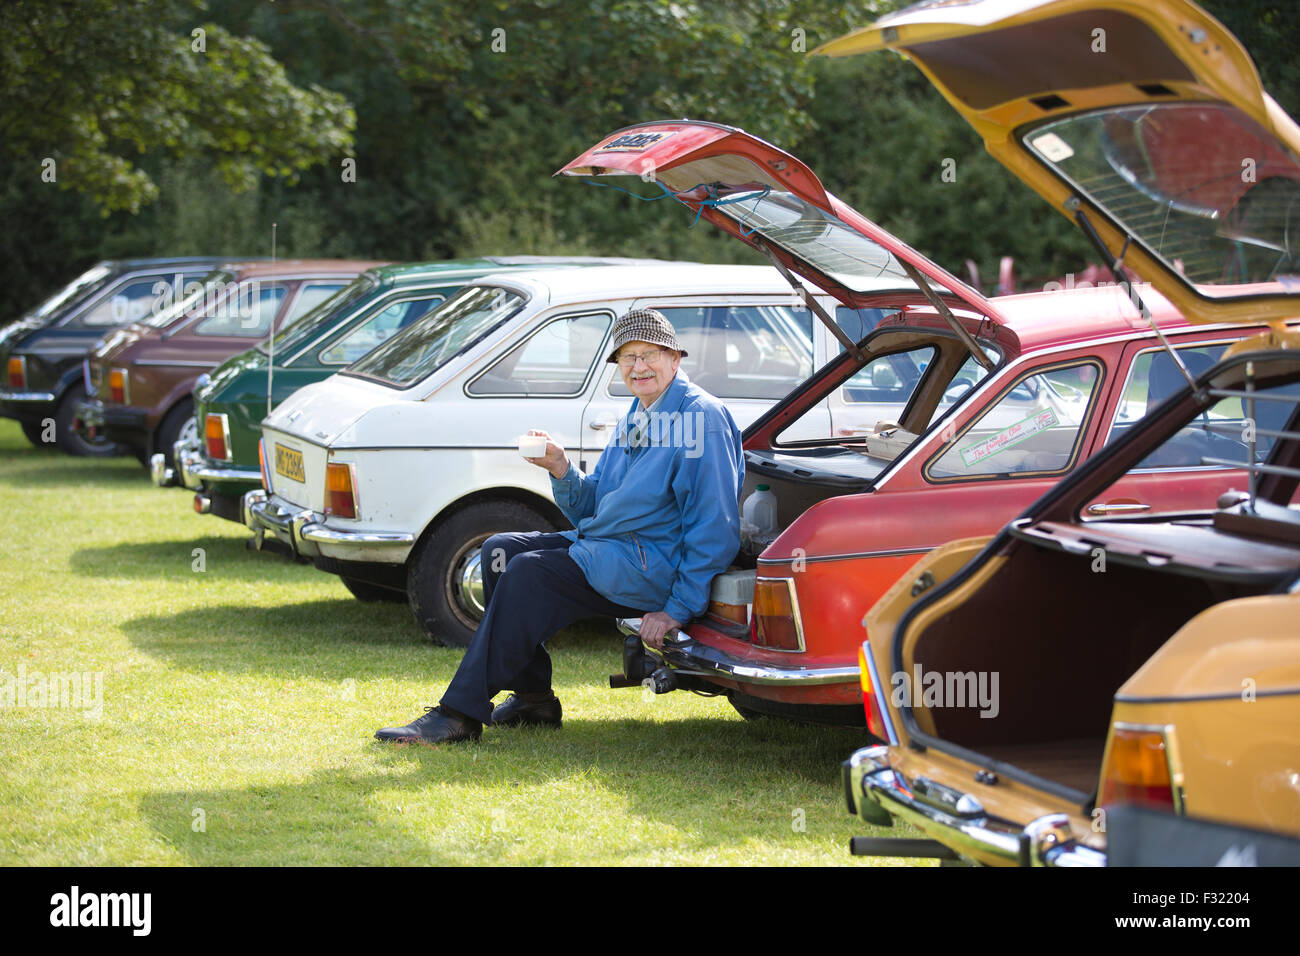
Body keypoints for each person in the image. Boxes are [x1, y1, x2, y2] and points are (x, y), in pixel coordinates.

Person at [375, 308, 745, 744]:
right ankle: (534, 700)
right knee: (500, 551)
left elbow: (715, 528)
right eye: (628, 357)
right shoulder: (639, 413)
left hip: (656, 569)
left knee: (530, 574)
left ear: (675, 359)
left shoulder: (701, 417)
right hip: (613, 550)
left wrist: (677, 609)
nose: (639, 366)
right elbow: (595, 506)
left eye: (650, 354)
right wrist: (561, 467)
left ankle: (458, 714)